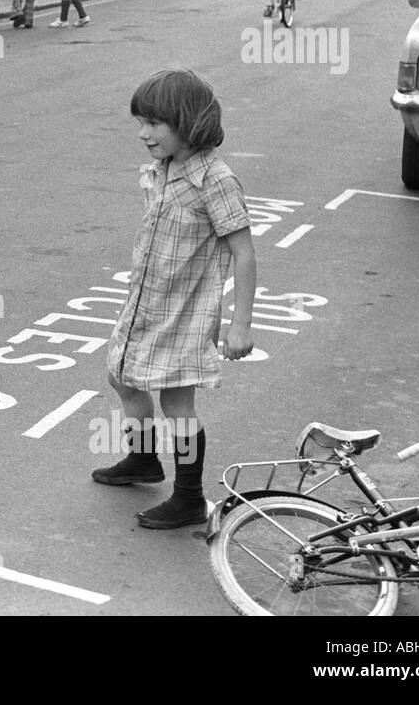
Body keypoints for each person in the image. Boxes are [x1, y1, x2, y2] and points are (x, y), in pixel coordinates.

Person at [91, 69, 256, 530]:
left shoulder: (216, 181)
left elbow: (243, 252)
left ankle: (188, 497)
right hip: (146, 302)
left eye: (153, 124)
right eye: (140, 123)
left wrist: (240, 323)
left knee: (176, 405)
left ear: (187, 122)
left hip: (186, 311)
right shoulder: (163, 169)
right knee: (122, 377)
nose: (143, 134)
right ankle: (144, 460)